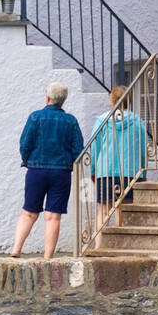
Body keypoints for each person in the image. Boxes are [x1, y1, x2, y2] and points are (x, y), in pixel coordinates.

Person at [12, 82, 85, 259]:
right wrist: (69, 163)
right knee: (53, 216)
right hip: (61, 172)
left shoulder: (35, 117)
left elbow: (24, 144)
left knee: (29, 212)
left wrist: (28, 161)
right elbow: (78, 149)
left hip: (36, 171)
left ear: (47, 98)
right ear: (63, 101)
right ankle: (47, 256)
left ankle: (16, 249)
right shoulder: (71, 121)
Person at [90, 85, 147, 211]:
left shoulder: (102, 121)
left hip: (106, 172)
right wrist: (143, 172)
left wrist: (93, 171)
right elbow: (143, 150)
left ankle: (100, 232)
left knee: (103, 211)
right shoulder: (137, 121)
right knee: (128, 212)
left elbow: (94, 148)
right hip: (131, 172)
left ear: (112, 100)